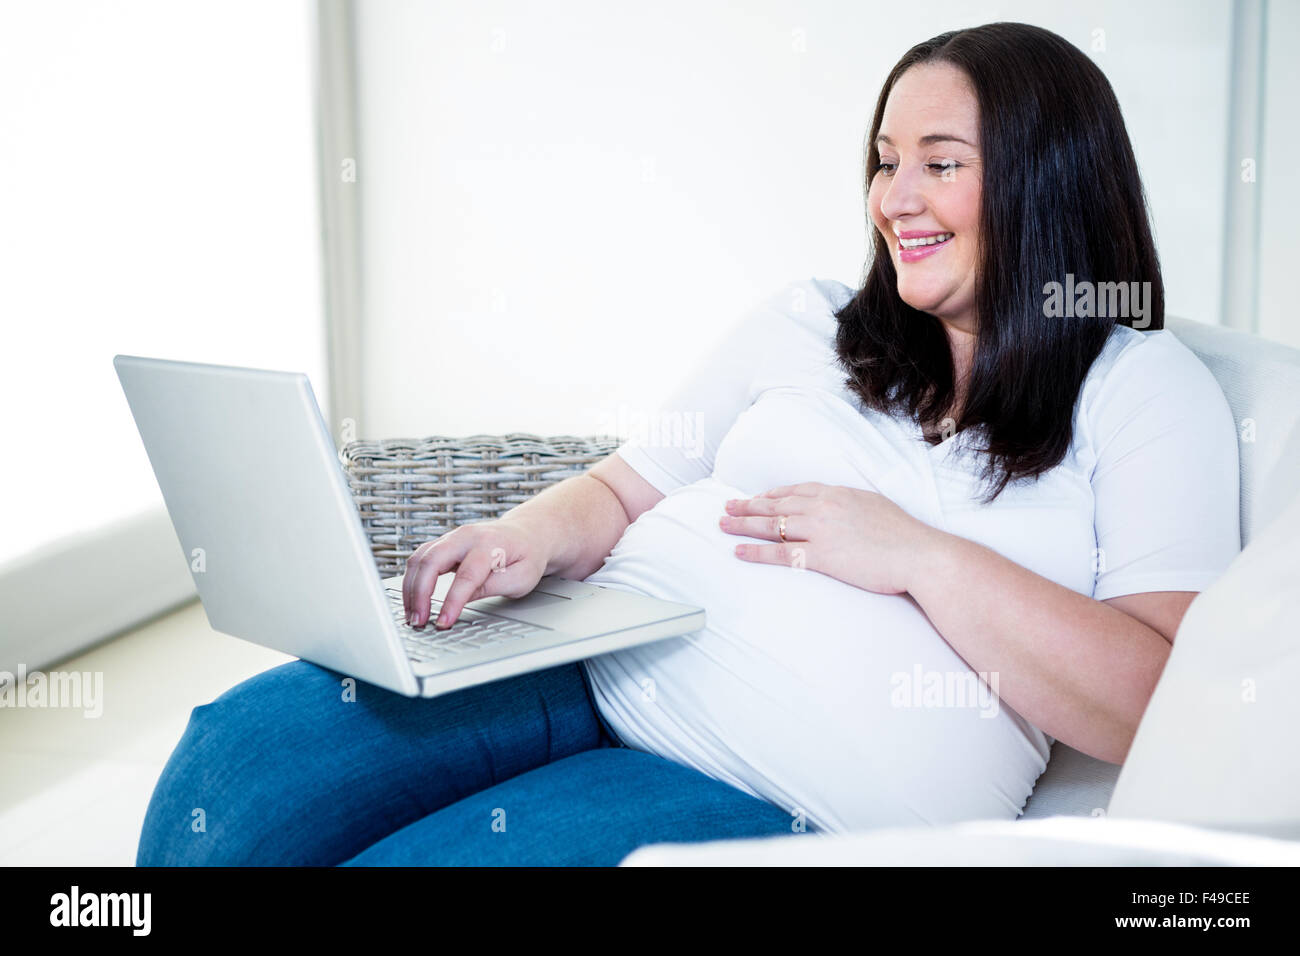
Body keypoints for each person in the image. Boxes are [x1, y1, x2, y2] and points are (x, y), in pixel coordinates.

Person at [136, 21, 1240, 866]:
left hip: (765, 784)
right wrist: (524, 537)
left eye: (939, 164)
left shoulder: (1142, 391)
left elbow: (1155, 700)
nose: (893, 198)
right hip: (581, 664)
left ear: (1048, 180)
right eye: (884, 159)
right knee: (235, 772)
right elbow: (624, 489)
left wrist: (917, 555)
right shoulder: (810, 319)